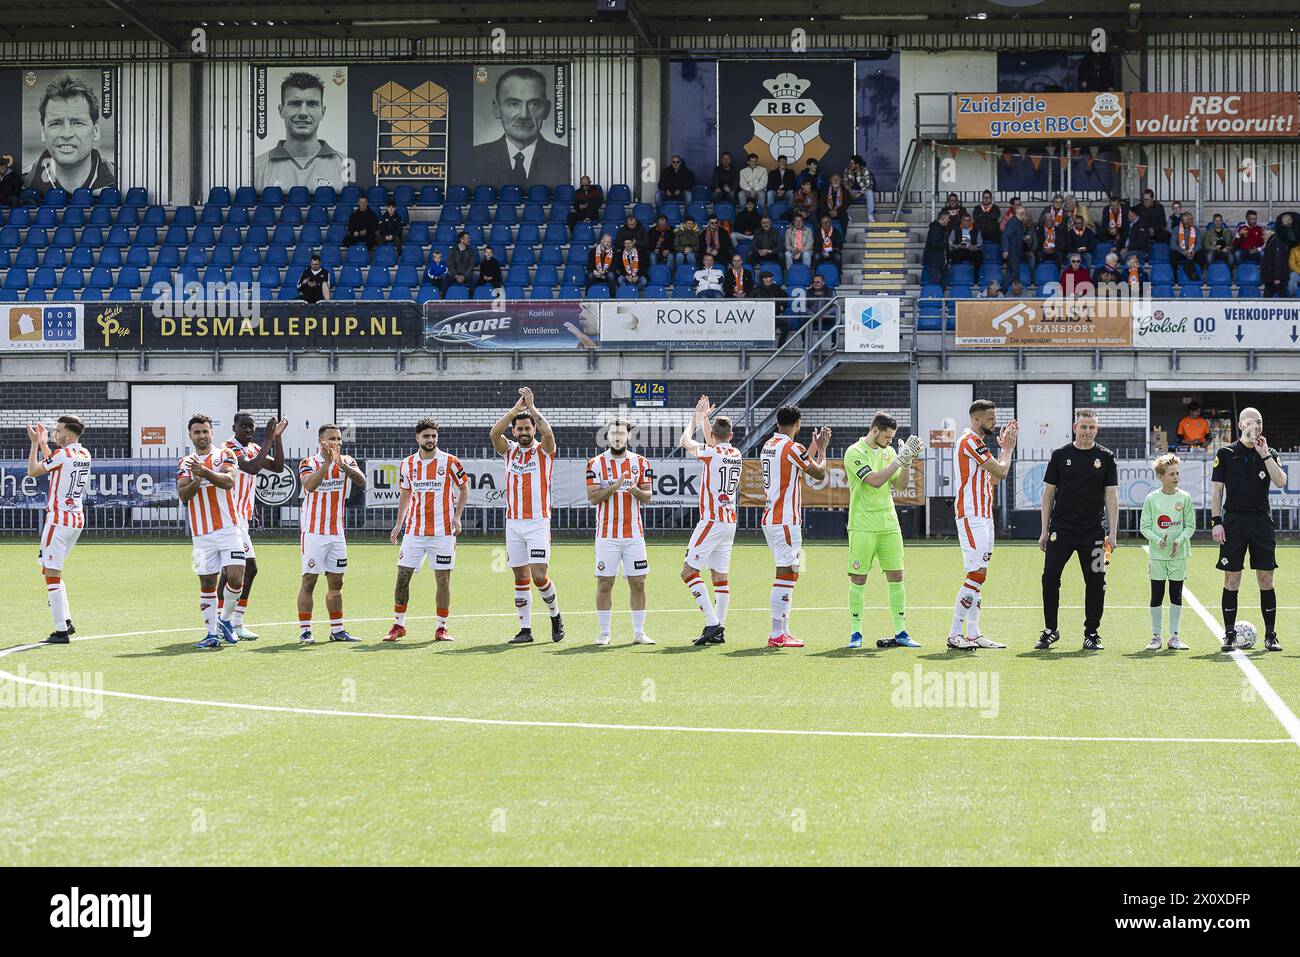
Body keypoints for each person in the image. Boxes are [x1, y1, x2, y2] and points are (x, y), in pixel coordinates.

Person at [1035, 409, 1118, 652]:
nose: (1087, 432)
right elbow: (1048, 494)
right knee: (1050, 577)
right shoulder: (1060, 455)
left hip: (1093, 532)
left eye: (1092, 427)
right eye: (1083, 427)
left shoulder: (1106, 457)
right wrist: (1043, 530)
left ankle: (1091, 634)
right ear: (1075, 427)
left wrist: (1112, 533)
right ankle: (1051, 630)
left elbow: (1111, 496)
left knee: (1096, 580)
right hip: (1060, 530)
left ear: (1097, 430)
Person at [489, 387, 564, 644]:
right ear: (514, 431)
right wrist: (515, 410)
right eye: (519, 429)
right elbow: (493, 433)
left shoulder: (543, 451)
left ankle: (555, 615)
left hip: (537, 523)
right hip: (514, 524)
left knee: (539, 576)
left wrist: (531, 408)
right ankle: (526, 629)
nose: (523, 432)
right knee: (520, 577)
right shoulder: (509, 450)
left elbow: (549, 433)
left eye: (527, 428)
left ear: (533, 430)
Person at [385, 418, 468, 643]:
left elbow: (463, 489)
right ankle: (399, 624)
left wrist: (457, 517)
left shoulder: (450, 461)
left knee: (443, 579)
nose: (431, 440)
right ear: (417, 438)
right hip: (414, 531)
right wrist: (398, 523)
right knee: (402, 576)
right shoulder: (407, 464)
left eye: (434, 436)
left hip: (443, 532)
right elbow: (405, 494)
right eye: (426, 436)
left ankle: (442, 627)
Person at [845, 413, 924, 650]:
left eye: (892, 438)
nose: (890, 441)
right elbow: (875, 481)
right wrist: (899, 461)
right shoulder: (854, 452)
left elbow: (899, 485)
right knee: (859, 578)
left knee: (897, 576)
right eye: (887, 437)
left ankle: (900, 631)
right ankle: (856, 633)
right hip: (862, 524)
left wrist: (907, 460)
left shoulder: (890, 452)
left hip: (889, 523)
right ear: (875, 430)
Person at [1211, 407, 1285, 653]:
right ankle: (1229, 635)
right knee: (1232, 578)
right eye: (1252, 422)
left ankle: (1271, 635)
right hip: (1233, 522)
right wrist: (1216, 521)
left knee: (1266, 578)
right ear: (1241, 425)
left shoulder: (1270, 452)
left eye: (1260, 422)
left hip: (1261, 522)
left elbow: (1281, 481)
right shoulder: (1226, 452)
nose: (1257, 426)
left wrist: (1265, 455)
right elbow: (1217, 490)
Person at [948, 400, 1018, 650]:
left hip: (983, 516)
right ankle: (955, 633)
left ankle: (974, 633)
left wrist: (1001, 455)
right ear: (977, 419)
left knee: (980, 575)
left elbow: (993, 480)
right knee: (975, 574)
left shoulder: (978, 444)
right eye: (990, 418)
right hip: (971, 515)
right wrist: (1008, 450)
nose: (994, 422)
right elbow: (1001, 472)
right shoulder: (970, 441)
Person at [760, 405, 829, 649]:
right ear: (797, 424)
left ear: (778, 423)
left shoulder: (770, 445)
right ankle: (777, 633)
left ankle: (783, 630)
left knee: (789, 571)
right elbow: (819, 473)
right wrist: (821, 449)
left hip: (772, 518)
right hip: (786, 519)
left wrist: (811, 449)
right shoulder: (792, 448)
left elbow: (796, 464)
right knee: (787, 572)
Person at [177, 414, 245, 649]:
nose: (202, 436)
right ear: (190, 435)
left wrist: (204, 472)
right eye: (197, 432)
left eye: (205, 431)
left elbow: (228, 482)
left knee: (236, 577)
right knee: (207, 583)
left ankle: (225, 619)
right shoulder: (185, 462)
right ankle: (211, 634)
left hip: (229, 528)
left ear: (211, 433)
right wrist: (196, 479)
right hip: (201, 533)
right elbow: (184, 495)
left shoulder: (225, 454)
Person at [679, 396, 741, 646]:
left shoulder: (711, 453)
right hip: (729, 523)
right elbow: (714, 442)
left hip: (712, 520)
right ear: (732, 435)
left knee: (688, 571)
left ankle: (711, 622)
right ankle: (720, 629)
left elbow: (684, 441)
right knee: (720, 578)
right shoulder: (735, 453)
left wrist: (695, 418)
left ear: (713, 436)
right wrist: (707, 420)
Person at [218, 413, 287, 640]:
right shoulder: (229, 448)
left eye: (251, 427)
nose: (248, 430)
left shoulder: (253, 447)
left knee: (233, 571)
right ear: (234, 427)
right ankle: (227, 620)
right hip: (229, 518)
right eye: (243, 426)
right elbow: (251, 468)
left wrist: (276, 438)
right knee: (246, 569)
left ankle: (230, 621)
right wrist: (268, 439)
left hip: (242, 519)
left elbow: (277, 467)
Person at [587, 420, 655, 646]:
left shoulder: (641, 462)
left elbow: (648, 497)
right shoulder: (595, 463)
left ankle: (639, 633)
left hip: (634, 535)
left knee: (639, 583)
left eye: (621, 433)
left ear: (628, 436)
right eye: (613, 433)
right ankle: (604, 633)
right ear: (607, 437)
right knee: (605, 583)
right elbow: (593, 498)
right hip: (607, 535)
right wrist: (615, 485)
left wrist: (633, 488)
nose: (617, 437)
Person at [296, 424, 365, 644]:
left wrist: (341, 465)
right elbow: (310, 486)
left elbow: (361, 481)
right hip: (314, 532)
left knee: (336, 583)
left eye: (338, 439)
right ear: (320, 442)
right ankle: (305, 630)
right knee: (309, 581)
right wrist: (327, 464)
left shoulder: (347, 460)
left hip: (337, 533)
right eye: (330, 439)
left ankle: (337, 630)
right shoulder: (308, 462)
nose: (335, 443)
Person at [26, 415, 91, 644]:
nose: (56, 432)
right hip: (75, 520)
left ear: (69, 435)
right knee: (52, 568)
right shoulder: (84, 454)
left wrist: (35, 442)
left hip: (58, 520)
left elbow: (33, 471)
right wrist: (44, 443)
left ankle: (60, 630)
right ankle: (66, 621)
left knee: (51, 572)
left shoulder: (62, 454)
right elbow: (55, 465)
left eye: (59, 430)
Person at [472, 67, 569, 189]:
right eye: (513, 104)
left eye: (534, 104)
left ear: (547, 109)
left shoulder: (565, 158)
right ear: (497, 109)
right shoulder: (475, 157)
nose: (524, 115)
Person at [25, 73, 118, 196]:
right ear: (43, 132)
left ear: (96, 131)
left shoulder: (120, 179)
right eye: (56, 123)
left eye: (77, 123)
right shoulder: (25, 183)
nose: (66, 134)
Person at [253, 71, 343, 192]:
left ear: (323, 112)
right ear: (281, 110)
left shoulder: (346, 165)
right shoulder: (257, 167)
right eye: (295, 104)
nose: (303, 113)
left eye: (312, 104)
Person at [1140, 454, 1195, 651]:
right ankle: (1156, 636)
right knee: (1157, 594)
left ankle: (1174, 637)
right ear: (1161, 476)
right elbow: (1144, 527)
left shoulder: (1185, 498)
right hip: (1157, 556)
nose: (1176, 477)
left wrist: (1179, 540)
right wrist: (1157, 540)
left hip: (1178, 556)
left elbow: (1190, 526)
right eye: (1171, 474)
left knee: (1176, 595)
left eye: (1178, 473)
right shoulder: (1152, 499)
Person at [923, 210, 951, 287]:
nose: (949, 220)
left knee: (944, 280)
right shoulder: (936, 228)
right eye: (948, 218)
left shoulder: (941, 228)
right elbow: (934, 243)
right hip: (934, 260)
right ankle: (934, 296)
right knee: (937, 279)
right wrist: (947, 244)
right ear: (943, 218)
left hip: (940, 260)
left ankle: (938, 296)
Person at [843, 154, 875, 222]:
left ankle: (870, 215)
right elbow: (845, 183)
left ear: (857, 165)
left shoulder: (864, 170)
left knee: (869, 192)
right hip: (852, 191)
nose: (850, 165)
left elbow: (869, 184)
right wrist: (850, 191)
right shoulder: (847, 170)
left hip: (862, 191)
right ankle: (846, 215)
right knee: (844, 192)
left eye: (852, 163)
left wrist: (860, 193)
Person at [1171, 211, 1200, 283]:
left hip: (1192, 252)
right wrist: (1182, 252)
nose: (1192, 221)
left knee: (1202, 254)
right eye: (1190, 219)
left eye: (1192, 219)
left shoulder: (1196, 229)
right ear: (1184, 221)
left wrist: (1193, 251)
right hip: (1181, 252)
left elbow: (1199, 244)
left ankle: (1203, 278)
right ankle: (1175, 279)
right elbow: (1172, 244)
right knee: (1173, 255)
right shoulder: (1176, 229)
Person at [1260, 227, 1290, 297]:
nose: (1263, 236)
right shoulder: (1270, 242)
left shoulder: (1277, 242)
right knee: (1267, 298)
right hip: (1271, 278)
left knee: (1282, 298)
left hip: (1277, 278)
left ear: (1270, 233)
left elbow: (1278, 260)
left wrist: (1277, 277)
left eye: (1264, 234)